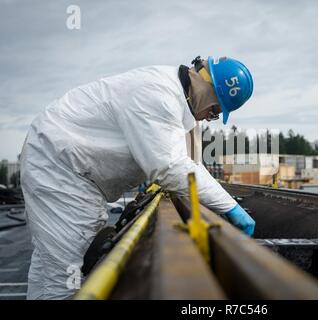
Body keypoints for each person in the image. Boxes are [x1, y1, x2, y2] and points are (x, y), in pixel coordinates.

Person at [20, 56, 255, 299]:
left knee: (48, 266)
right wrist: (231, 207)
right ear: (206, 87)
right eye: (215, 109)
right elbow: (170, 166)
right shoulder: (159, 95)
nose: (209, 117)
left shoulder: (178, 100)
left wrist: (225, 203)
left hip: (67, 166)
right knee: (62, 276)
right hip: (60, 166)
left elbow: (191, 164)